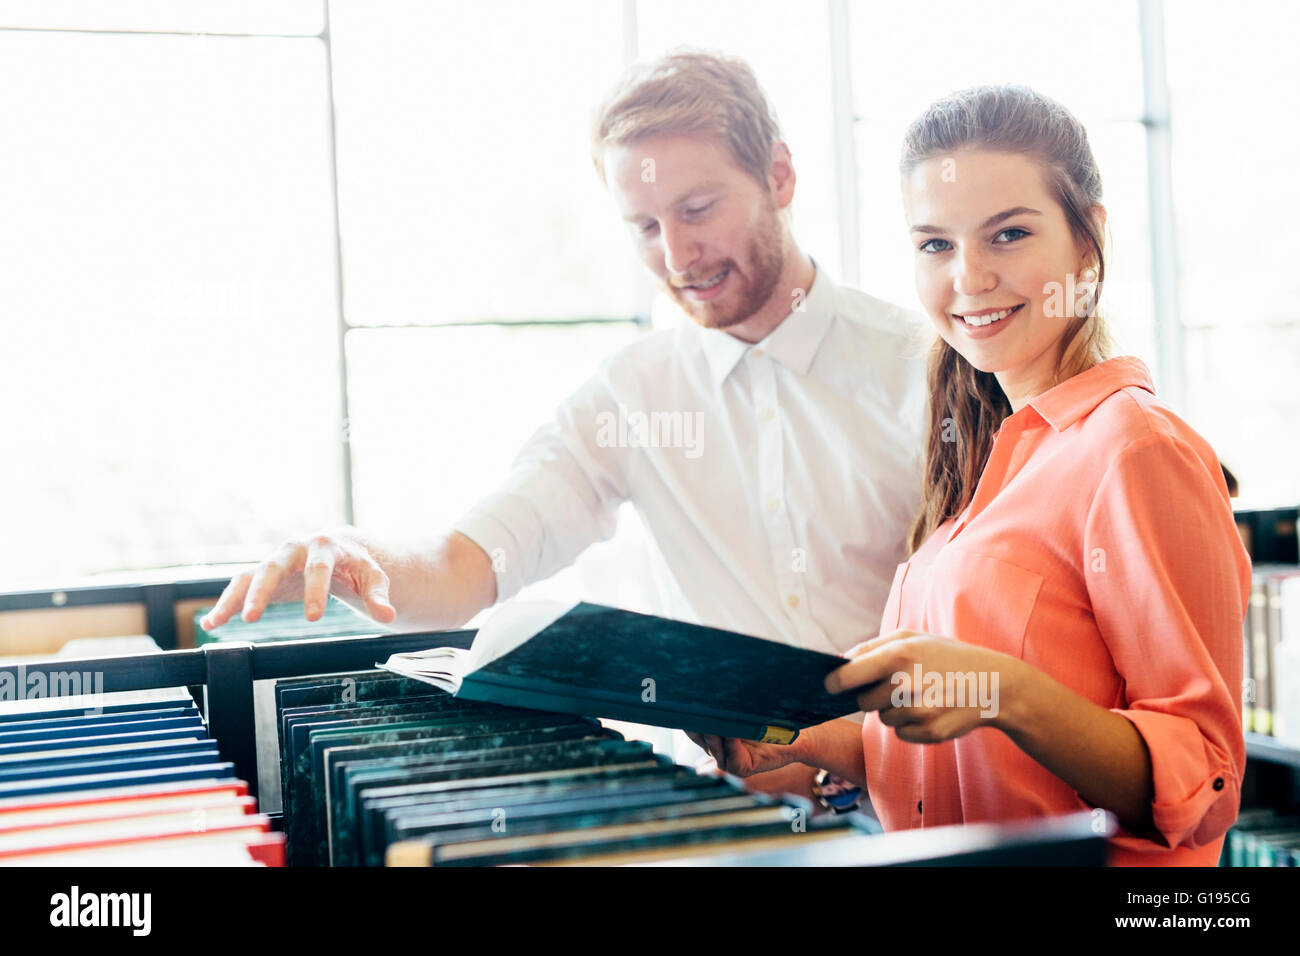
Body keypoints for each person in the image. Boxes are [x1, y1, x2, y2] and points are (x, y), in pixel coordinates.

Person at [200, 50, 928, 798]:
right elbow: (466, 563)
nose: (676, 255)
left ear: (779, 175)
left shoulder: (927, 366)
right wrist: (355, 551)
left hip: (926, 810)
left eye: (697, 209)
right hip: (742, 826)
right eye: (644, 225)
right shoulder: (631, 395)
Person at [688, 85, 1250, 865]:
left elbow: (1208, 779)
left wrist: (1002, 692)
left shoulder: (1135, 448)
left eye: (1009, 234)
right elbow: (952, 764)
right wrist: (796, 740)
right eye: (935, 245)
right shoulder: (979, 461)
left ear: (1087, 245)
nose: (970, 278)